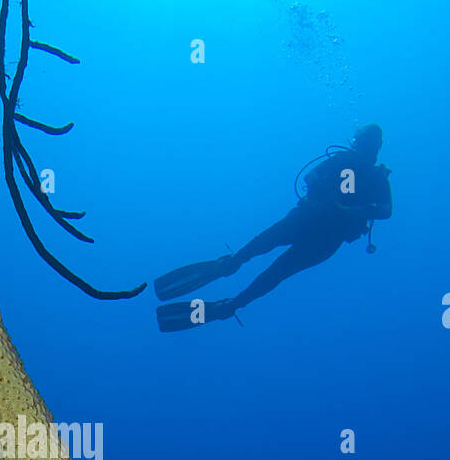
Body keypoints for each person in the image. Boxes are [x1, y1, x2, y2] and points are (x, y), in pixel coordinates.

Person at [154, 124, 392, 330]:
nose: (367, 147)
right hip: (308, 221)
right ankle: (229, 269)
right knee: (266, 255)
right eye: (364, 142)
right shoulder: (343, 161)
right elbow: (310, 177)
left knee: (275, 272)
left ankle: (230, 300)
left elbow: (386, 211)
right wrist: (328, 198)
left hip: (326, 237)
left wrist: (356, 210)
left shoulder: (377, 177)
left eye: (371, 143)